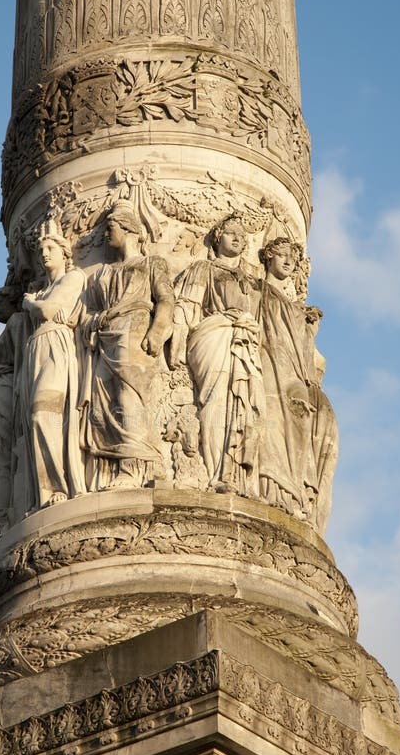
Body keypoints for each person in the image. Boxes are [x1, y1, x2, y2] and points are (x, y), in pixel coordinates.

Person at [80, 200, 175, 489]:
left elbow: (166, 299)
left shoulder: (151, 264)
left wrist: (157, 332)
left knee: (128, 397)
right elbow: (88, 312)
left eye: (111, 227)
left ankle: (133, 467)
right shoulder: (102, 273)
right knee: (100, 406)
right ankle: (107, 469)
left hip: (134, 330)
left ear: (129, 229)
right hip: (106, 335)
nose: (106, 234)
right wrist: (95, 322)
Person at [171, 216, 265, 495]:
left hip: (247, 341)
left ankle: (237, 474)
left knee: (248, 406)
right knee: (217, 400)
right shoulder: (204, 269)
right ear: (217, 238)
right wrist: (175, 345)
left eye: (242, 235)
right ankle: (215, 474)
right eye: (231, 233)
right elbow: (187, 306)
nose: (237, 238)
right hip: (215, 335)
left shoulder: (253, 281)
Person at [21, 221, 86, 510]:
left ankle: (59, 485)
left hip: (56, 345)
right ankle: (44, 493)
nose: (44, 254)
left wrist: (30, 304)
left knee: (43, 413)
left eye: (50, 248)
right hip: (35, 349)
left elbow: (47, 311)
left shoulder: (73, 278)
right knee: (32, 419)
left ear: (65, 253)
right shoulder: (43, 289)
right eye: (41, 250)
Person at [257, 237, 317, 520]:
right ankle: (271, 487)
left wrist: (309, 329)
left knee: (299, 416)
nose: (288, 261)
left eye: (292, 257)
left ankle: (292, 489)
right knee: (270, 416)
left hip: (293, 369)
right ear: (268, 257)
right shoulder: (257, 289)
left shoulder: (295, 307)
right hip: (268, 360)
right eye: (281, 254)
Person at [0, 285, 29, 531]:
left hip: (7, 387)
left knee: (2, 454)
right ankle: (5, 514)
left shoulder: (17, 322)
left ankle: (6, 512)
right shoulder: (13, 324)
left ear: (12, 301)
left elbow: (22, 360)